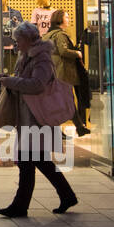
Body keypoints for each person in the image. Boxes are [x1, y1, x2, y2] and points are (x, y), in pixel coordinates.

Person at [0, 21, 77, 217]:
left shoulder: (42, 59)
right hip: (29, 117)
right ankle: (65, 196)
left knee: (29, 161)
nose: (16, 44)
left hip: (37, 117)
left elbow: (38, 85)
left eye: (18, 40)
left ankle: (21, 205)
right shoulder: (28, 57)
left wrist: (10, 81)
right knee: (35, 160)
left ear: (29, 39)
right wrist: (5, 78)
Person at [46, 9, 89, 137]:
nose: (69, 19)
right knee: (64, 102)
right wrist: (77, 53)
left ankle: (79, 127)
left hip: (54, 72)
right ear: (60, 19)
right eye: (66, 17)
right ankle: (60, 131)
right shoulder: (59, 35)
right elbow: (63, 51)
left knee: (65, 102)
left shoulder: (48, 35)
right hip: (62, 73)